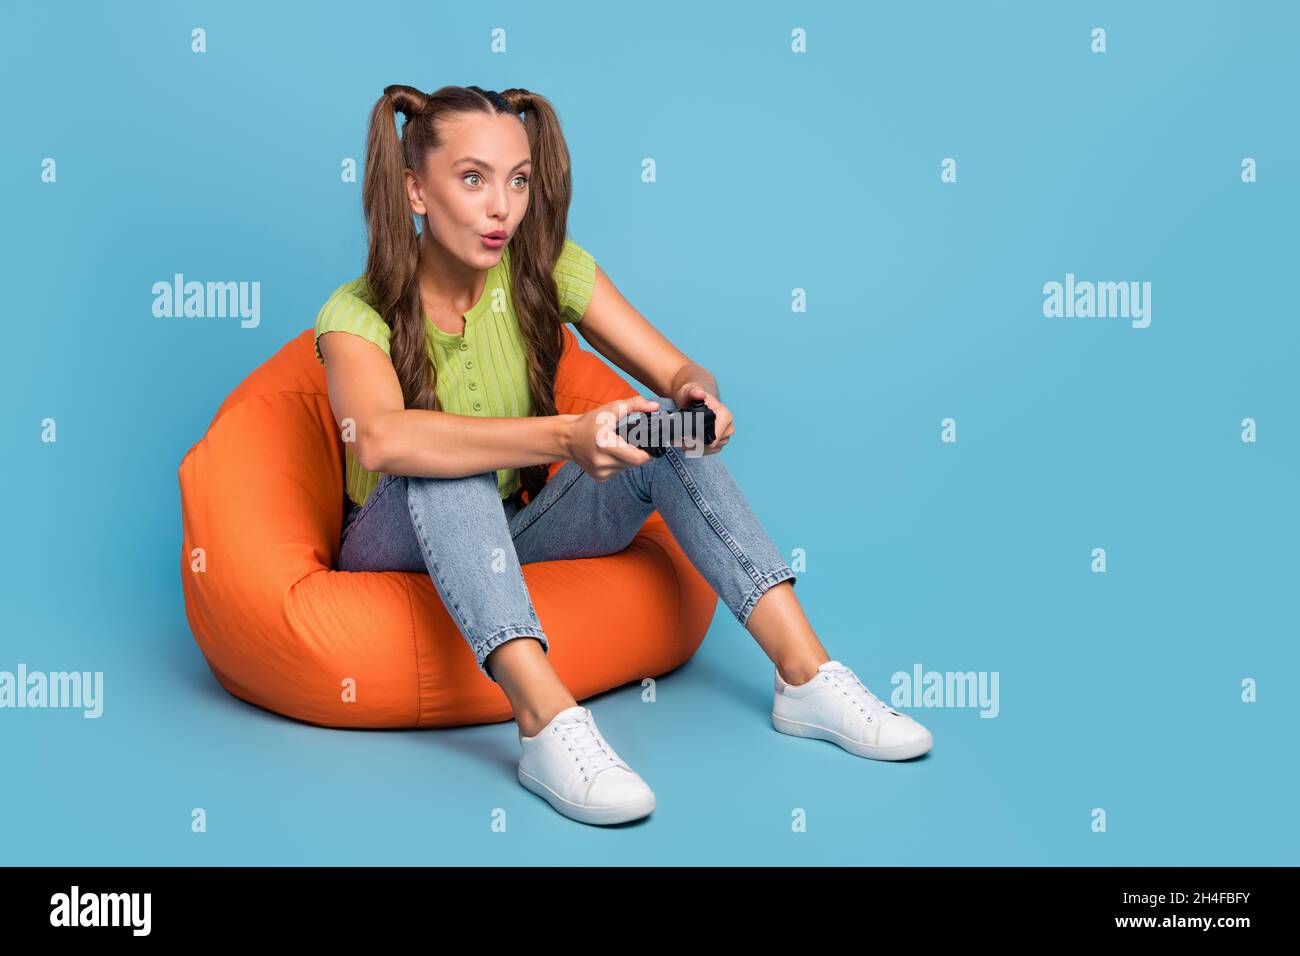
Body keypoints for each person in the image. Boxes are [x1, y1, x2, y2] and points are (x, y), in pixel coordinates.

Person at [314, 83, 933, 827]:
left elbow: (677, 370)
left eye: (518, 181)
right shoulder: (354, 314)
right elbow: (383, 438)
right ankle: (546, 724)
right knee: (446, 463)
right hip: (394, 542)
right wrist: (565, 435)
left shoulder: (545, 267)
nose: (501, 207)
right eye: (472, 179)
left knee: (662, 433)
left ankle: (806, 675)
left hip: (514, 528)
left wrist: (696, 400)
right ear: (416, 189)